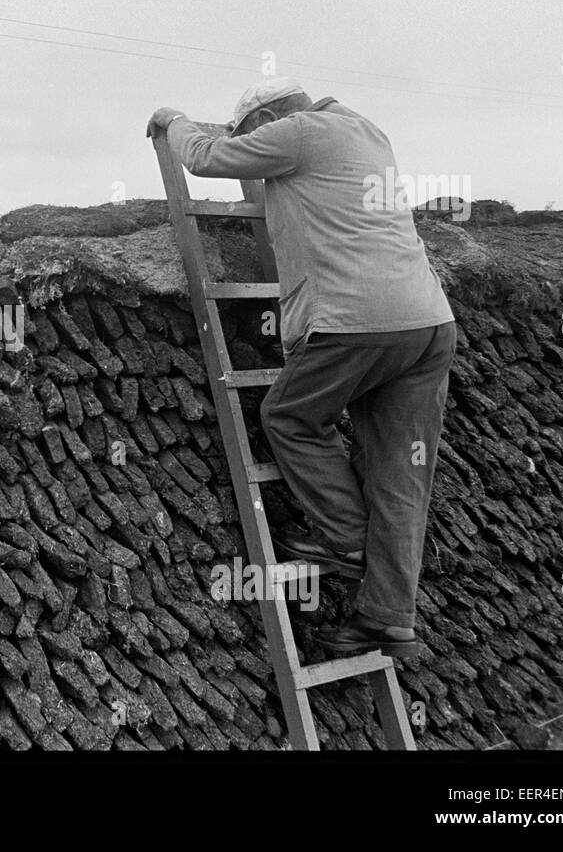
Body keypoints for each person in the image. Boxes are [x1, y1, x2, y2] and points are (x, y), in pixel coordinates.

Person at [147, 77, 456, 658]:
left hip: (356, 321)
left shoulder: (297, 133)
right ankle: (389, 619)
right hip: (427, 323)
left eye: (252, 136)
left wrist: (175, 119)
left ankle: (344, 543)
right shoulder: (365, 129)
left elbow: (205, 156)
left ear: (266, 119)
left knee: (289, 417)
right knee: (399, 473)